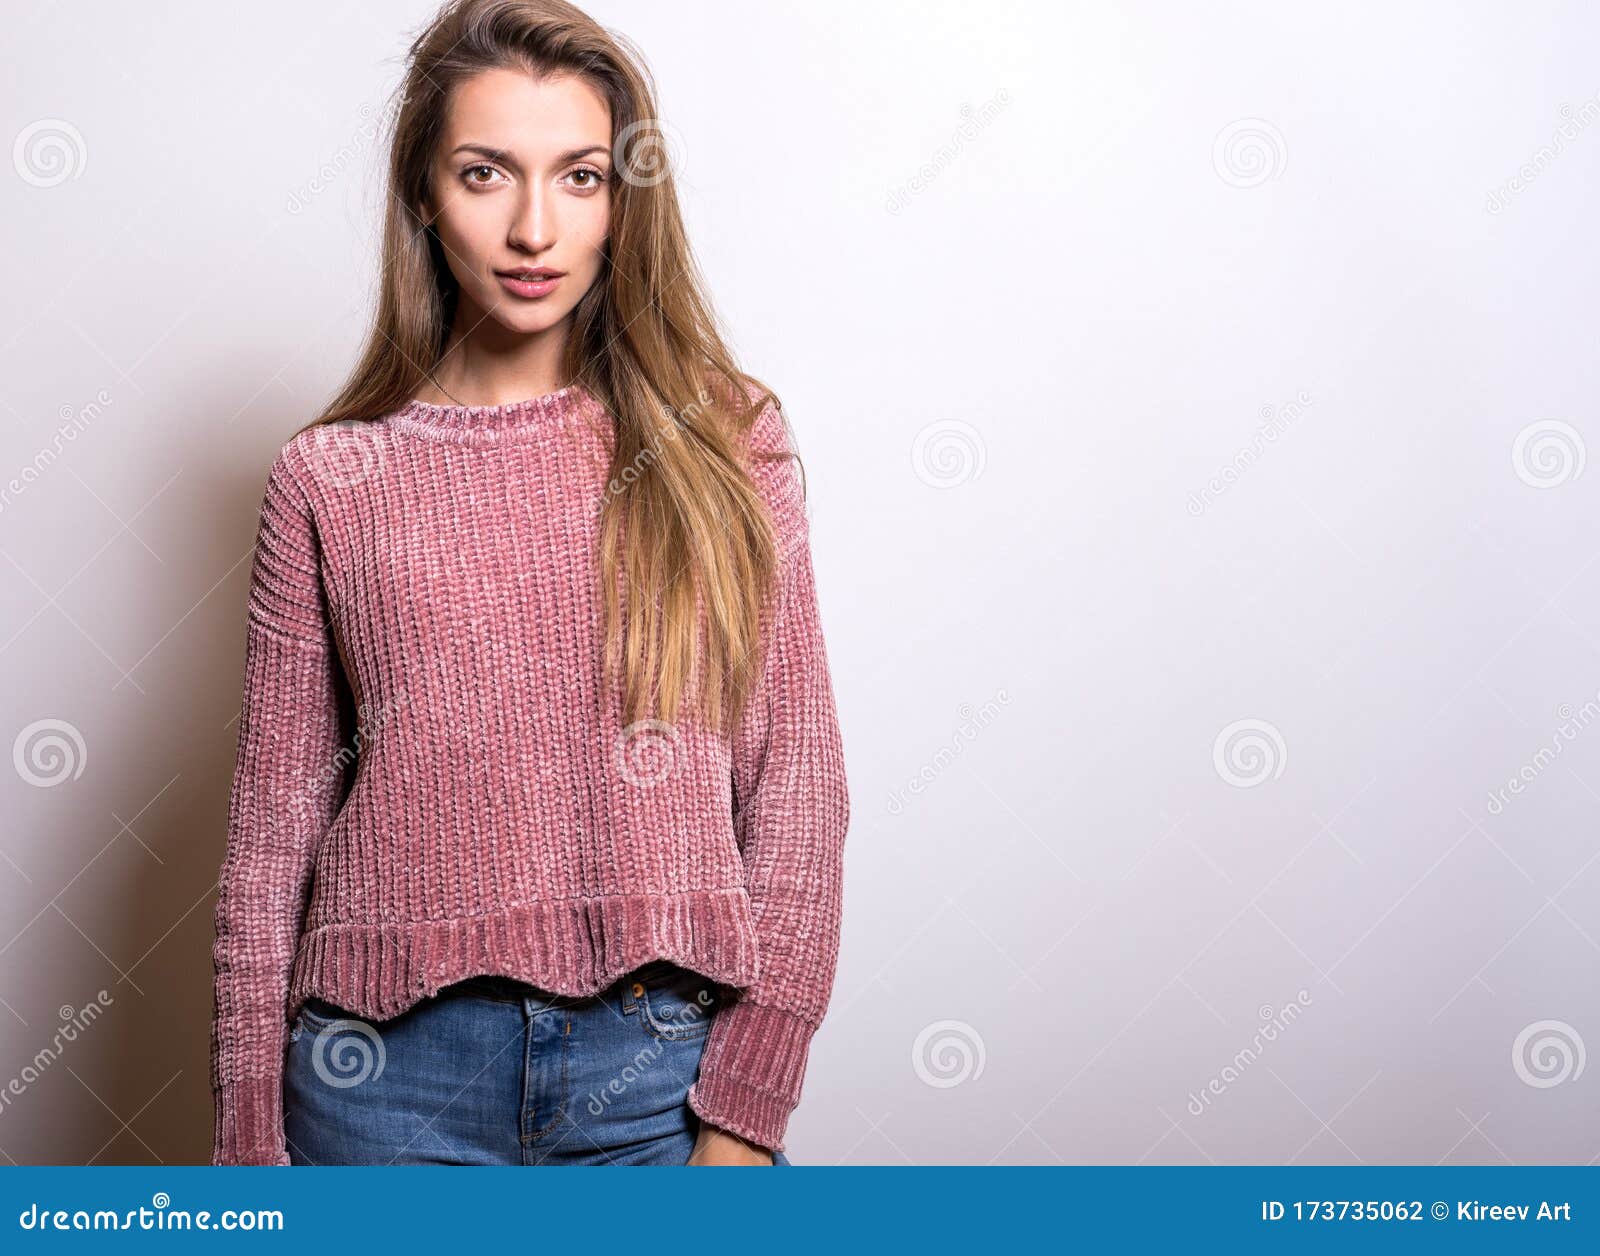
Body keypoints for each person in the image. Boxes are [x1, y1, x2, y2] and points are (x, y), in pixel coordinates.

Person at [209, 0, 849, 1167]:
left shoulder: (721, 441)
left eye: (581, 176)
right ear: (423, 194)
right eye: (485, 172)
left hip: (658, 1079)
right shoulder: (330, 477)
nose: (534, 227)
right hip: (377, 1088)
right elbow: (270, 838)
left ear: (623, 200)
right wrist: (246, 1146)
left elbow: (797, 786)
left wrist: (745, 1113)